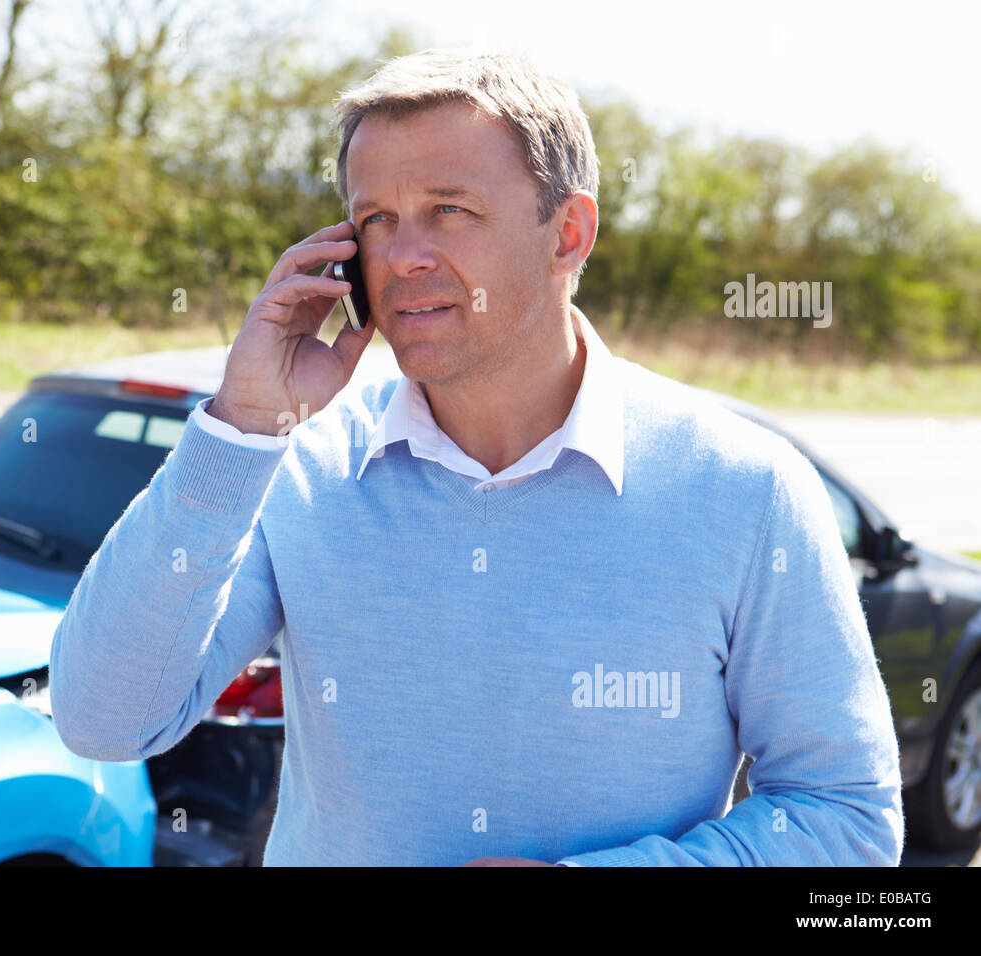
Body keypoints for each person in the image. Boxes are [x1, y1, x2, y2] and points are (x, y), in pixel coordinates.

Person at [49, 49, 903, 866]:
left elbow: (847, 819)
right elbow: (103, 720)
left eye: (448, 209)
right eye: (376, 219)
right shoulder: (295, 462)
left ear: (568, 232)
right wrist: (239, 426)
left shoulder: (746, 488)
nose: (402, 257)